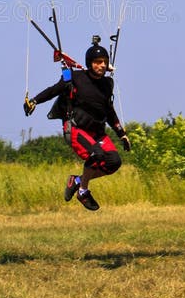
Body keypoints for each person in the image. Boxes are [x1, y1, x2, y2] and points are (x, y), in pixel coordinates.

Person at [23, 41, 130, 211]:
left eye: (104, 61)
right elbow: (54, 90)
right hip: (76, 128)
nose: (102, 65)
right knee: (96, 154)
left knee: (113, 162)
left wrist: (121, 133)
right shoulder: (75, 78)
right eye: (97, 62)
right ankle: (83, 191)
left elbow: (109, 111)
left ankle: (78, 181)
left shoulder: (107, 84)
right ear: (89, 63)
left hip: (97, 133)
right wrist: (34, 101)